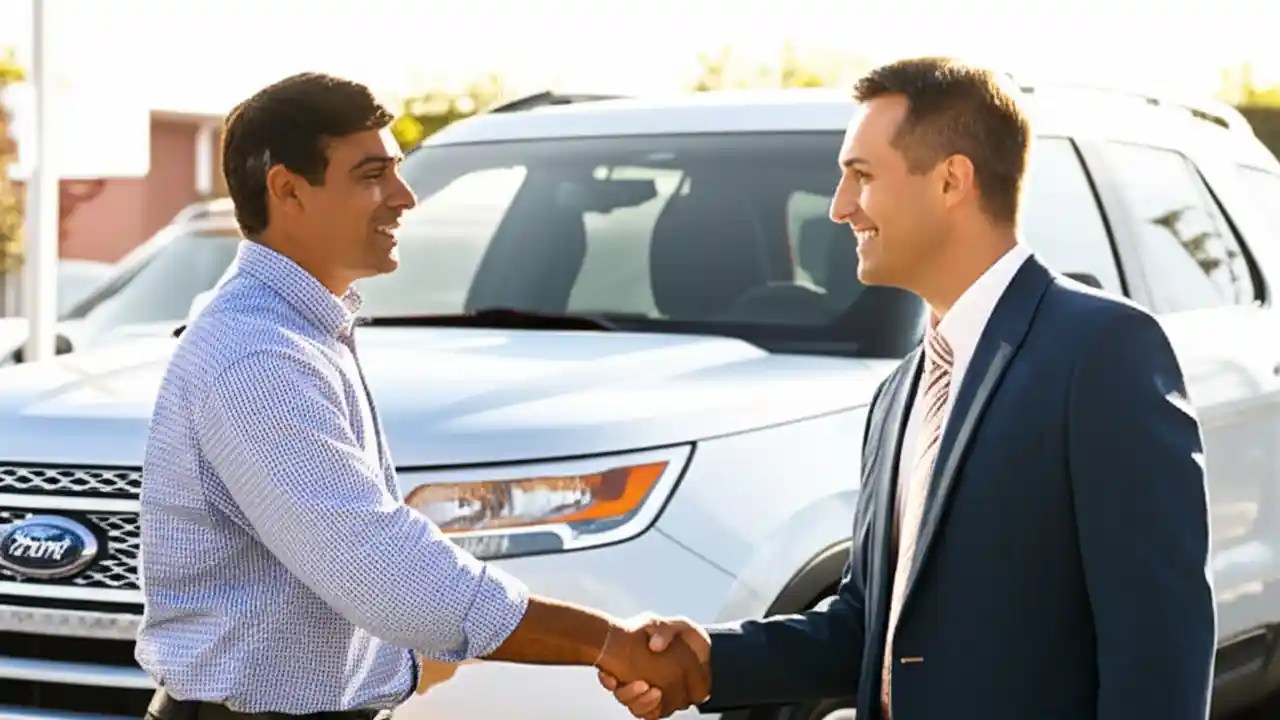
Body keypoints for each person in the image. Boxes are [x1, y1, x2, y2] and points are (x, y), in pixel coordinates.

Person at [601, 56, 1217, 720]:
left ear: (952, 179)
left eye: (861, 176)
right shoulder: (900, 391)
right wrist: (707, 664)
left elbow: (1159, 643)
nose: (839, 208)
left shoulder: (1103, 352)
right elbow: (870, 628)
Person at [134, 72, 707, 720]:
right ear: (288, 190)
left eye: (398, 171)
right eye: (372, 173)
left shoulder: (299, 332)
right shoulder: (260, 358)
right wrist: (607, 643)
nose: (404, 197)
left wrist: (407, 659)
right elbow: (379, 568)